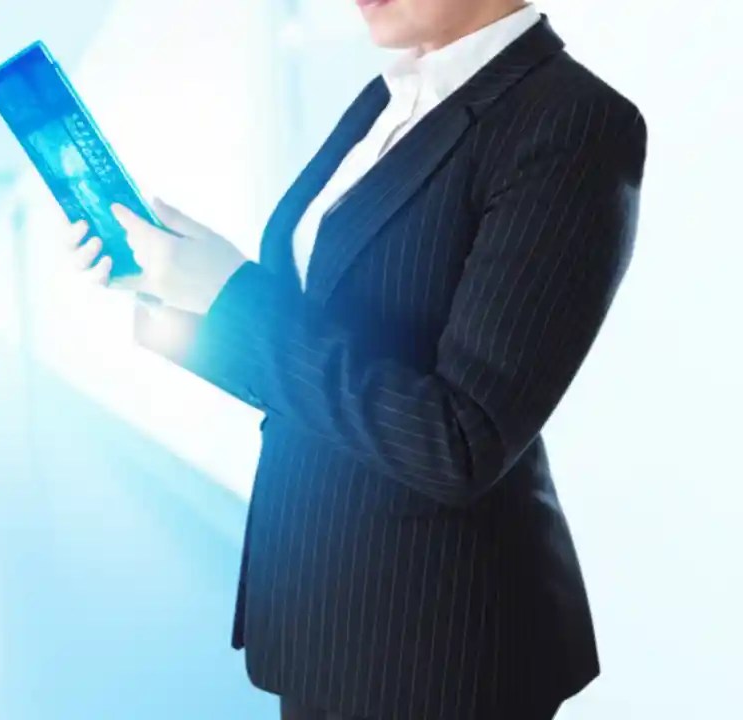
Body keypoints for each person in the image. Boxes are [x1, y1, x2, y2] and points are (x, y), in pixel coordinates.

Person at [65, 1, 647, 718]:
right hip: (322, 610)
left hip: (441, 639)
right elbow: (308, 345)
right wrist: (178, 293)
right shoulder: (388, 97)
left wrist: (229, 294)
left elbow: (460, 440)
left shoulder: (573, 122)